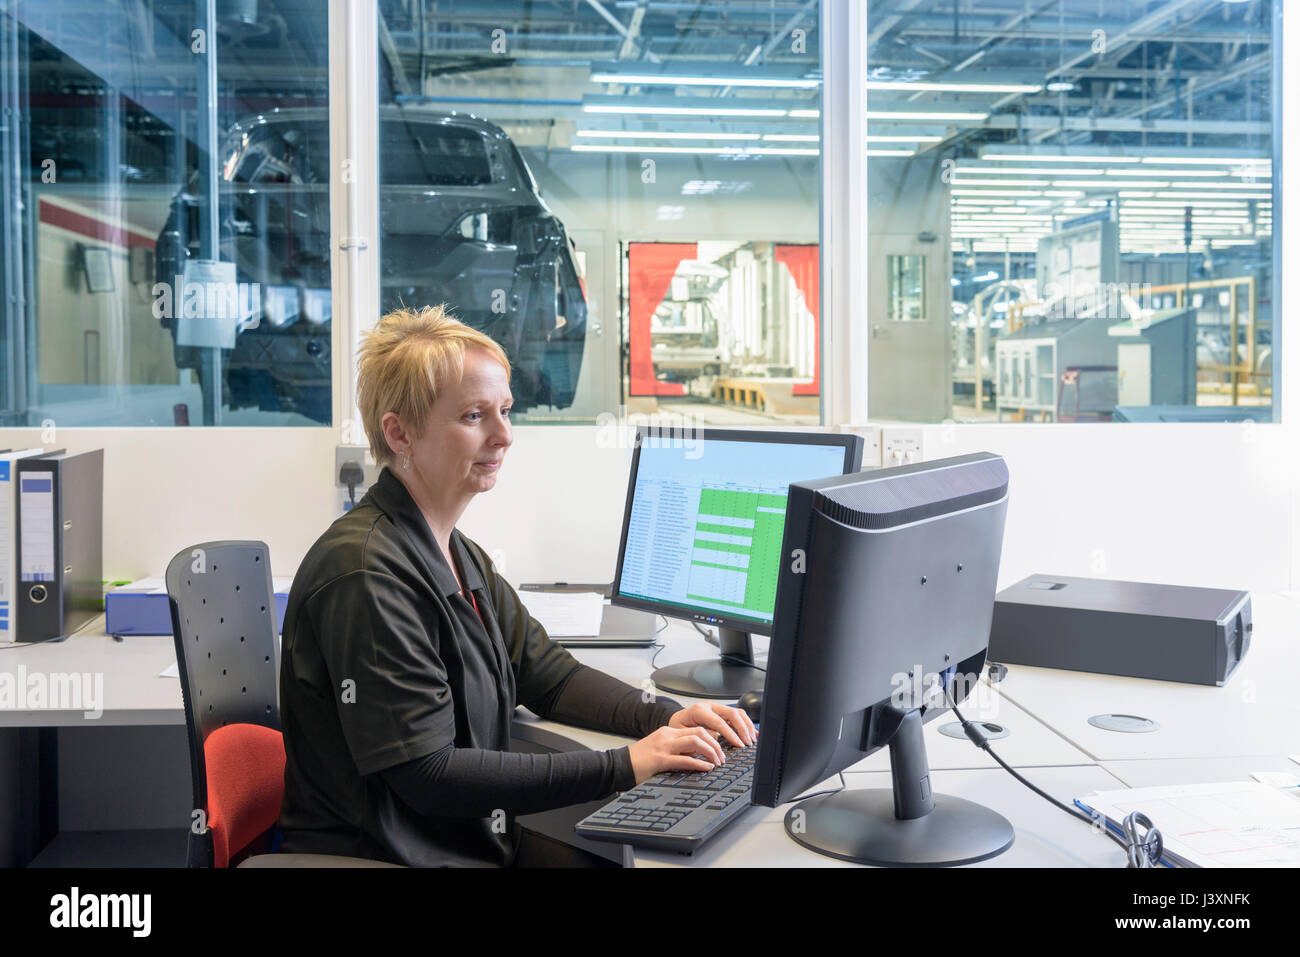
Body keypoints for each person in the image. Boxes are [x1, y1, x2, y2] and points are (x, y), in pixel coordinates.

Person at [277, 305, 757, 866]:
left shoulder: (453, 551)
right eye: (475, 416)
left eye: (505, 410)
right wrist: (626, 766)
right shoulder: (366, 574)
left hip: (460, 844)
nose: (504, 435)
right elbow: (428, 775)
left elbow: (548, 677)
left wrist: (663, 719)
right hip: (391, 856)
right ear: (399, 432)